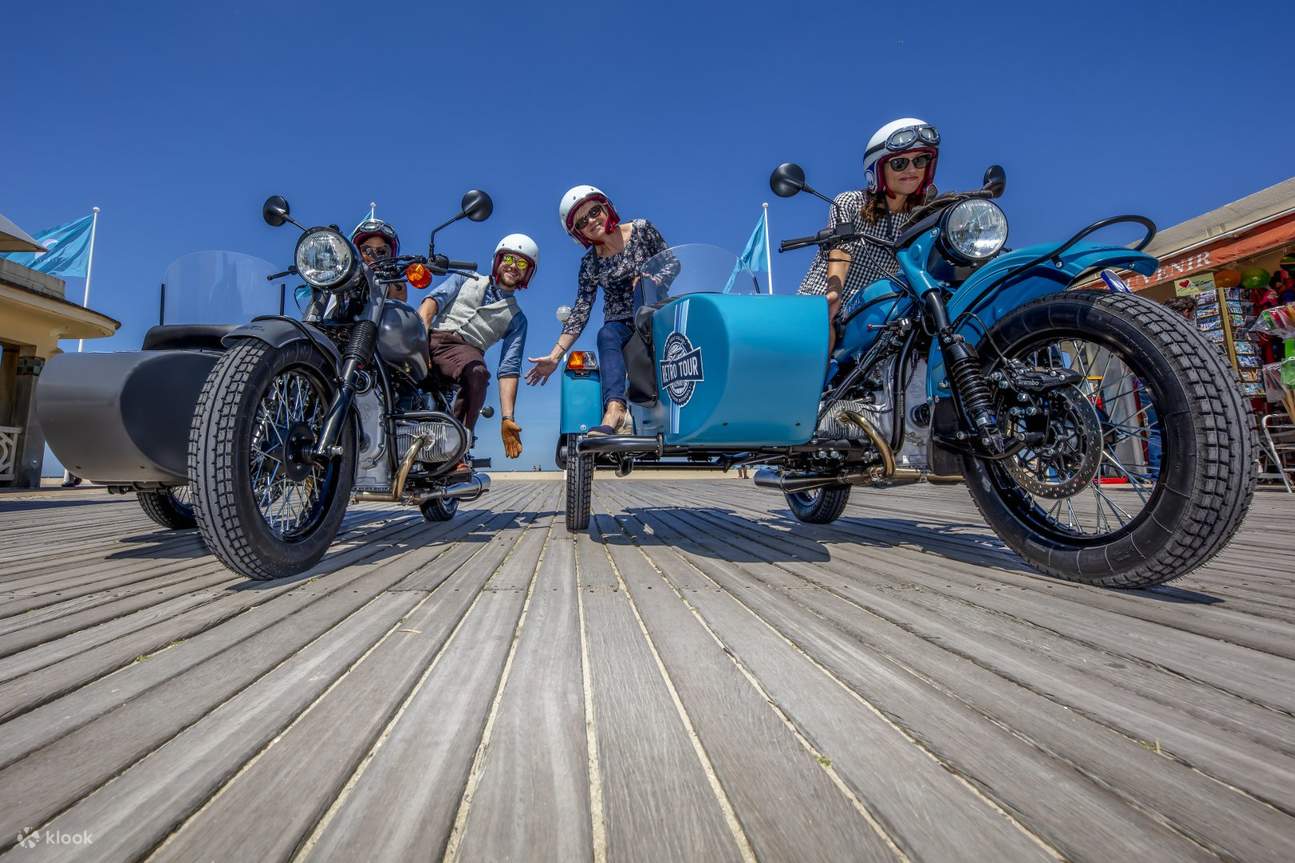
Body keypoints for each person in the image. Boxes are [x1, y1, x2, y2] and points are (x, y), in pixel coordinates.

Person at [525, 185, 669, 435]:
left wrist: (652, 279)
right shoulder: (590, 264)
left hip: (656, 312)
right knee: (606, 334)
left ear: (606, 208)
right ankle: (615, 410)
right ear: (578, 233)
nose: (591, 221)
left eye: (594, 211)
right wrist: (555, 356)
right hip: (622, 324)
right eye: (581, 222)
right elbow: (581, 310)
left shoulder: (642, 230)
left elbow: (671, 262)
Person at [798, 118, 940, 335]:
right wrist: (834, 294)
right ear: (878, 170)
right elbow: (841, 250)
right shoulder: (850, 202)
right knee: (826, 332)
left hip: (876, 310)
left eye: (920, 160)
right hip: (827, 300)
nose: (912, 169)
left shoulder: (920, 217)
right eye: (900, 163)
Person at [417, 234, 534, 462]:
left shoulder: (517, 319)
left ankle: (456, 449)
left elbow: (509, 368)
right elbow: (432, 302)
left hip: (466, 353)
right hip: (431, 336)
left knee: (478, 373)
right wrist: (419, 340)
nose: (513, 266)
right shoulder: (466, 278)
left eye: (522, 263)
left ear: (528, 273)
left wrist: (507, 417)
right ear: (498, 260)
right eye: (509, 259)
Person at [351, 219, 409, 302]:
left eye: (381, 251)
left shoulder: (396, 284)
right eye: (366, 250)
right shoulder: (343, 278)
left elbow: (397, 303)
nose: (373, 255)